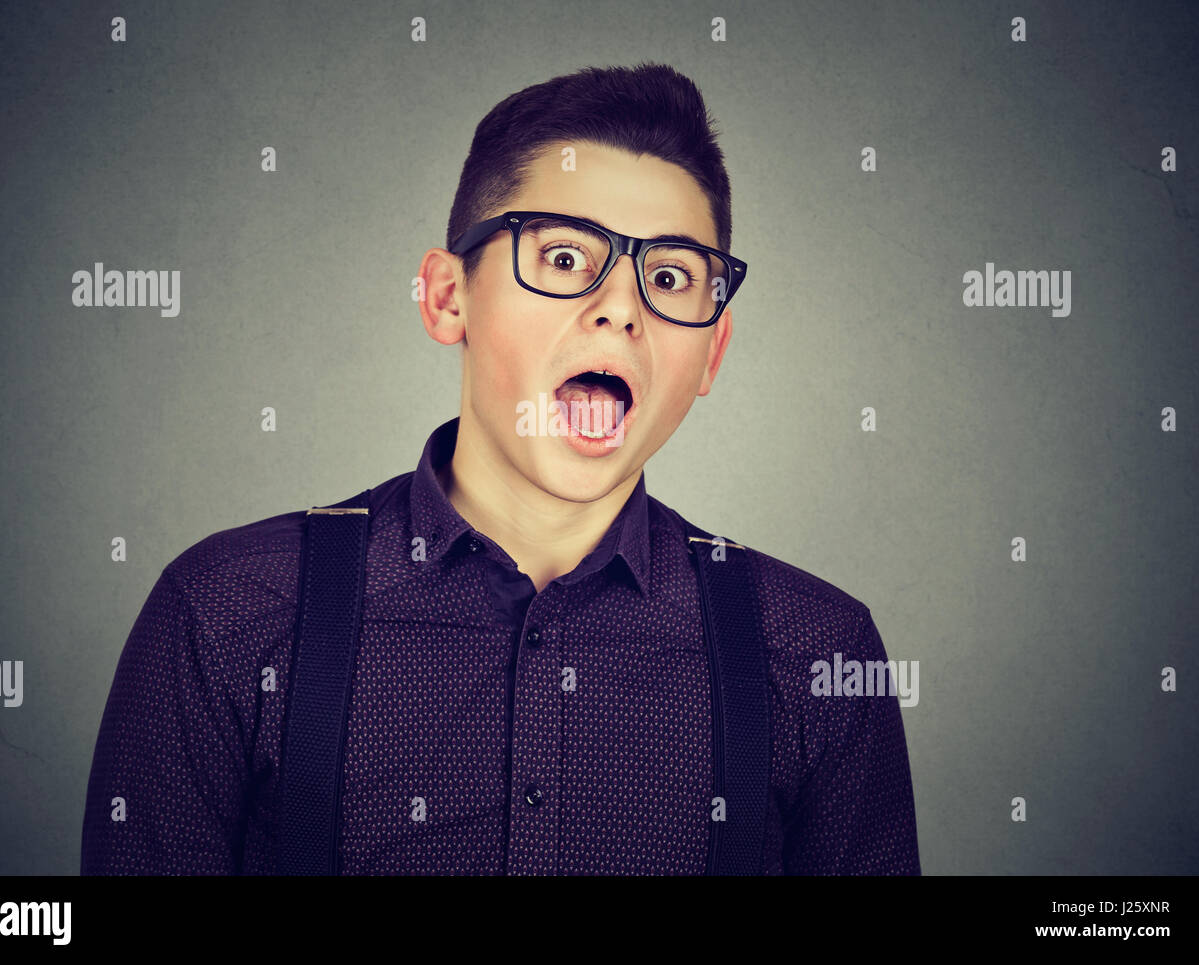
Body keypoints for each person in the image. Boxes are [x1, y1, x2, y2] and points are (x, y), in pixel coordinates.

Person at [81, 61, 920, 875]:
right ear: (449, 297)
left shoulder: (819, 653)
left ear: (712, 353)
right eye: (563, 257)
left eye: (668, 276)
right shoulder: (225, 613)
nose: (621, 309)